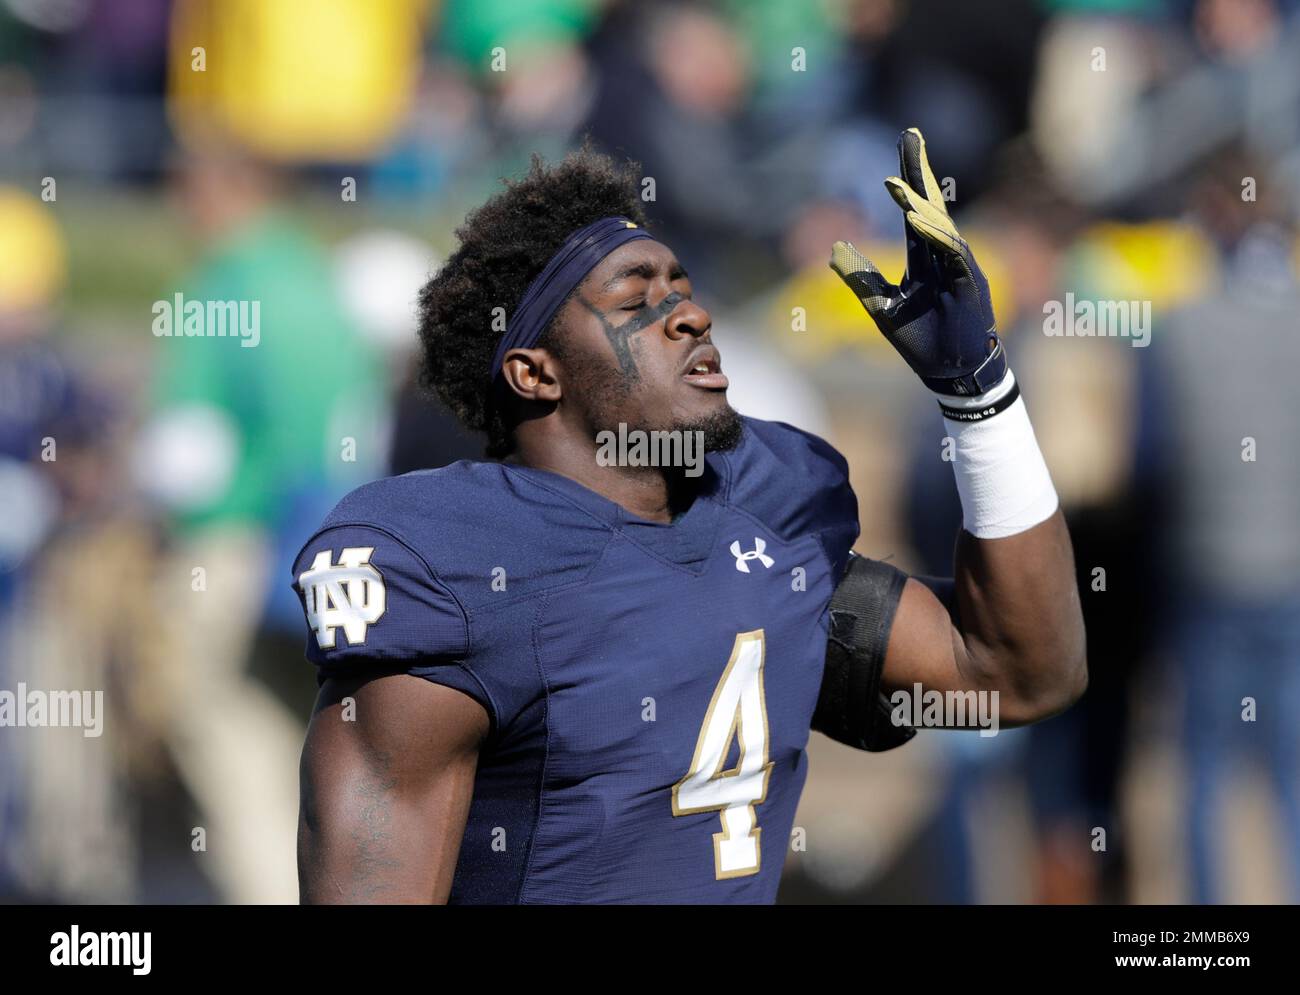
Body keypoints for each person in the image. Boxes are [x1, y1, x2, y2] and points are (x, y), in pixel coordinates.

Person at [293, 131, 1087, 904]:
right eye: (636, 301)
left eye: (682, 288)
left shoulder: (765, 521)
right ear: (535, 372)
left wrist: (978, 395)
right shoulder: (459, 568)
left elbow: (1015, 673)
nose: (690, 317)